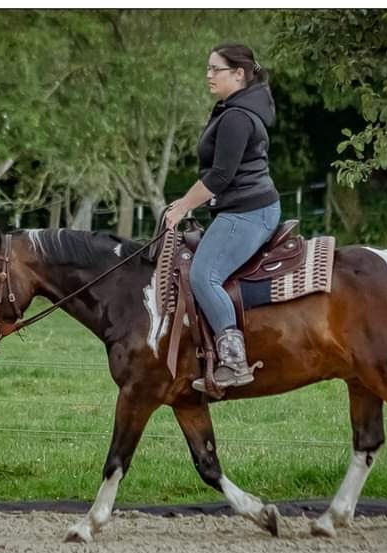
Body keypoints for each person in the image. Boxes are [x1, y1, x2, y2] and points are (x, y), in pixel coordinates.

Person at [164, 42, 281, 393]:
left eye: (216, 68)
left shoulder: (236, 117)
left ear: (239, 74)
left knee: (204, 275)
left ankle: (234, 361)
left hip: (248, 211)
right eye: (209, 68)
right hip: (242, 207)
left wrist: (184, 205)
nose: (208, 75)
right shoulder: (234, 110)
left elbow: (219, 177)